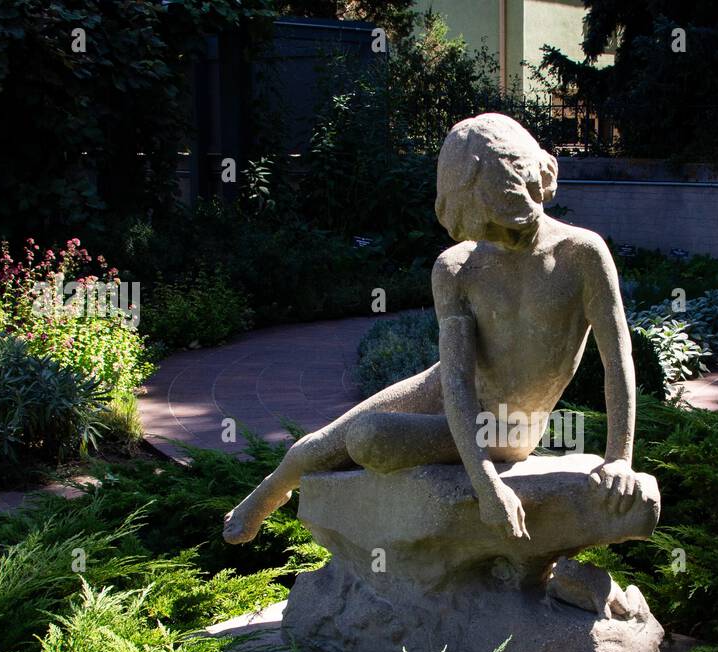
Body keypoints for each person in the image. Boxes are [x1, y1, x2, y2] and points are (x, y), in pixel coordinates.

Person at [223, 113, 641, 545]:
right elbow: (457, 378)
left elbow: (617, 359)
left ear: (529, 189)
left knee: (368, 439)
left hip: (507, 426)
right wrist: (485, 483)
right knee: (320, 445)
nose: (494, 238)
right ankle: (269, 492)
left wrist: (619, 459)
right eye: (483, 229)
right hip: (442, 385)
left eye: (503, 226)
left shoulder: (582, 254)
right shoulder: (457, 267)